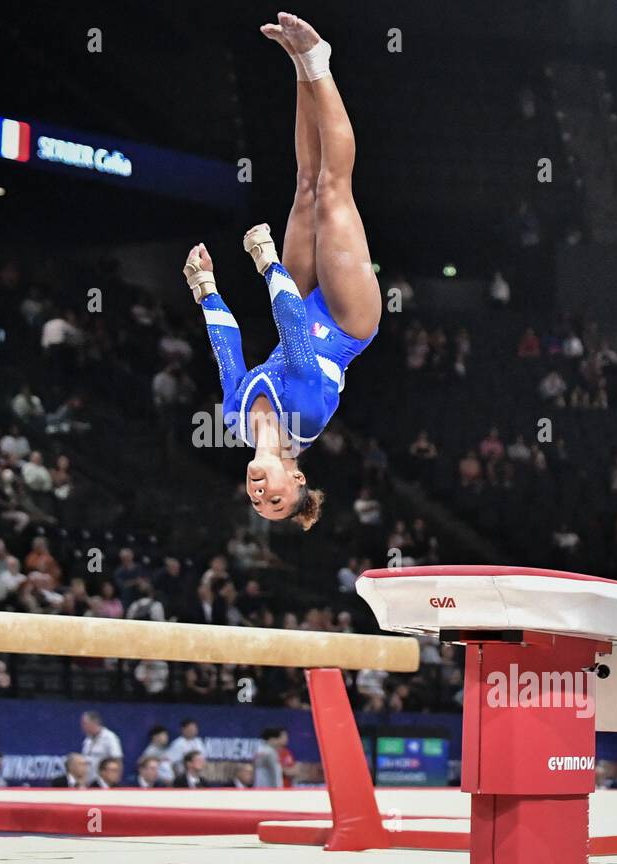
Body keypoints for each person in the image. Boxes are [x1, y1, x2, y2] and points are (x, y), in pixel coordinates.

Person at [183, 13, 382, 530]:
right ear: (296, 480)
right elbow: (293, 335)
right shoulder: (307, 419)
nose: (259, 496)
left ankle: (298, 64)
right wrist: (266, 261)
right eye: (274, 500)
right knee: (334, 190)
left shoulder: (235, 420)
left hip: (296, 301)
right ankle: (320, 61)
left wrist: (205, 288)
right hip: (343, 323)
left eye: (256, 504)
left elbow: (225, 346)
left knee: (306, 186)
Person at [80, 710, 123, 784]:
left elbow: (117, 760)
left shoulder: (110, 738)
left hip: (104, 783)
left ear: (94, 722)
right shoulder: (87, 740)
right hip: (89, 783)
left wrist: (115, 782)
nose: (82, 726)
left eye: (85, 723)